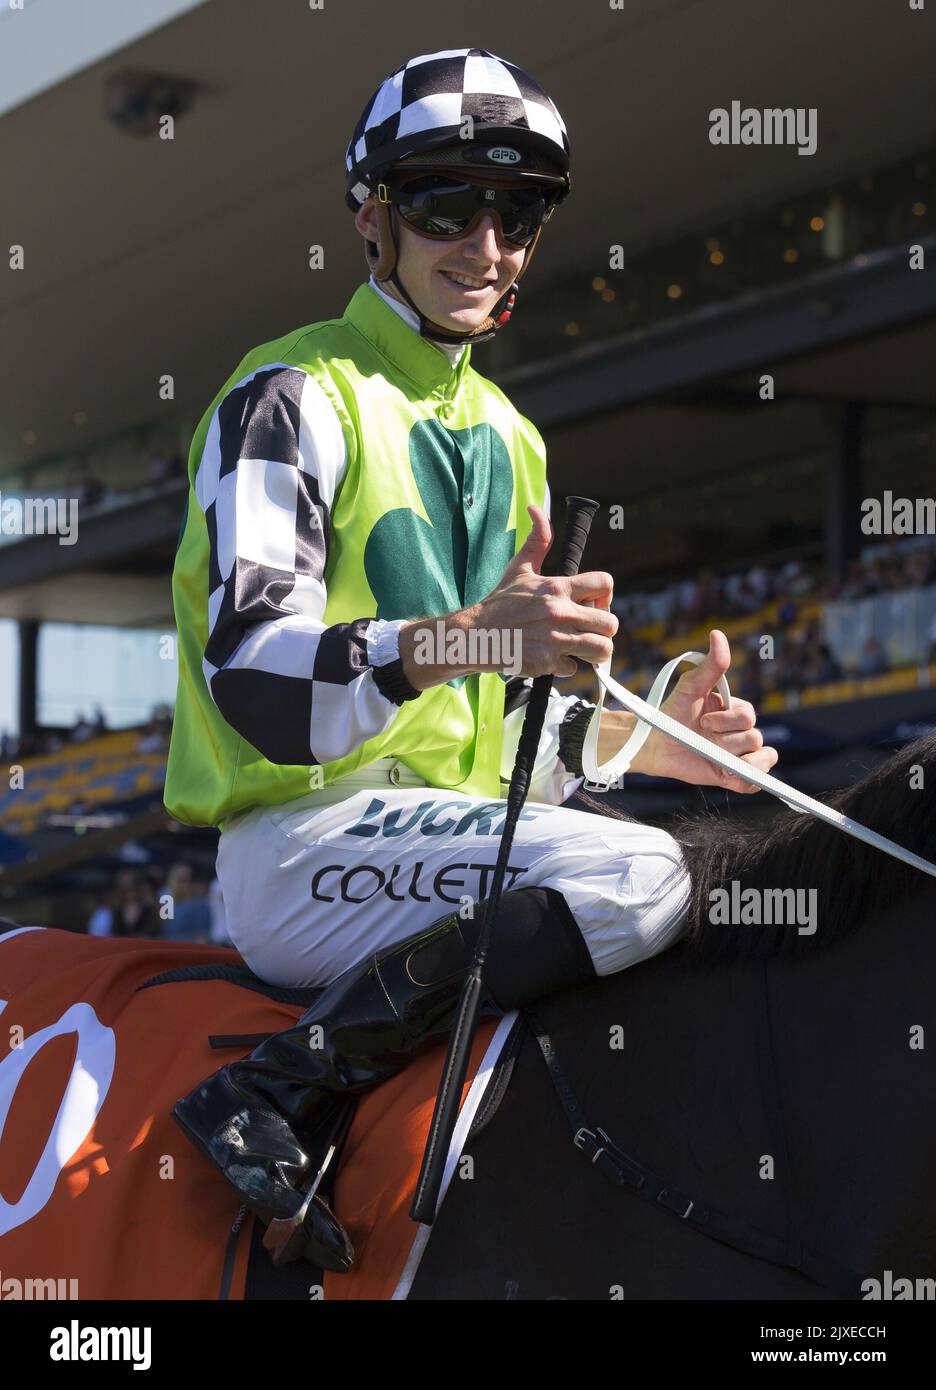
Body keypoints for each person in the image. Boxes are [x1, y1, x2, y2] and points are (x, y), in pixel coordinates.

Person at [165, 49, 778, 1272]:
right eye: (446, 204)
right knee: (646, 879)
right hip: (299, 849)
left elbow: (496, 757)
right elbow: (255, 682)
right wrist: (474, 636)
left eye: (520, 212)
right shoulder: (287, 397)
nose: (485, 242)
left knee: (723, 854)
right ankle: (278, 1083)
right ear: (372, 216)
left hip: (425, 842)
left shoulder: (514, 440)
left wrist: (640, 741)